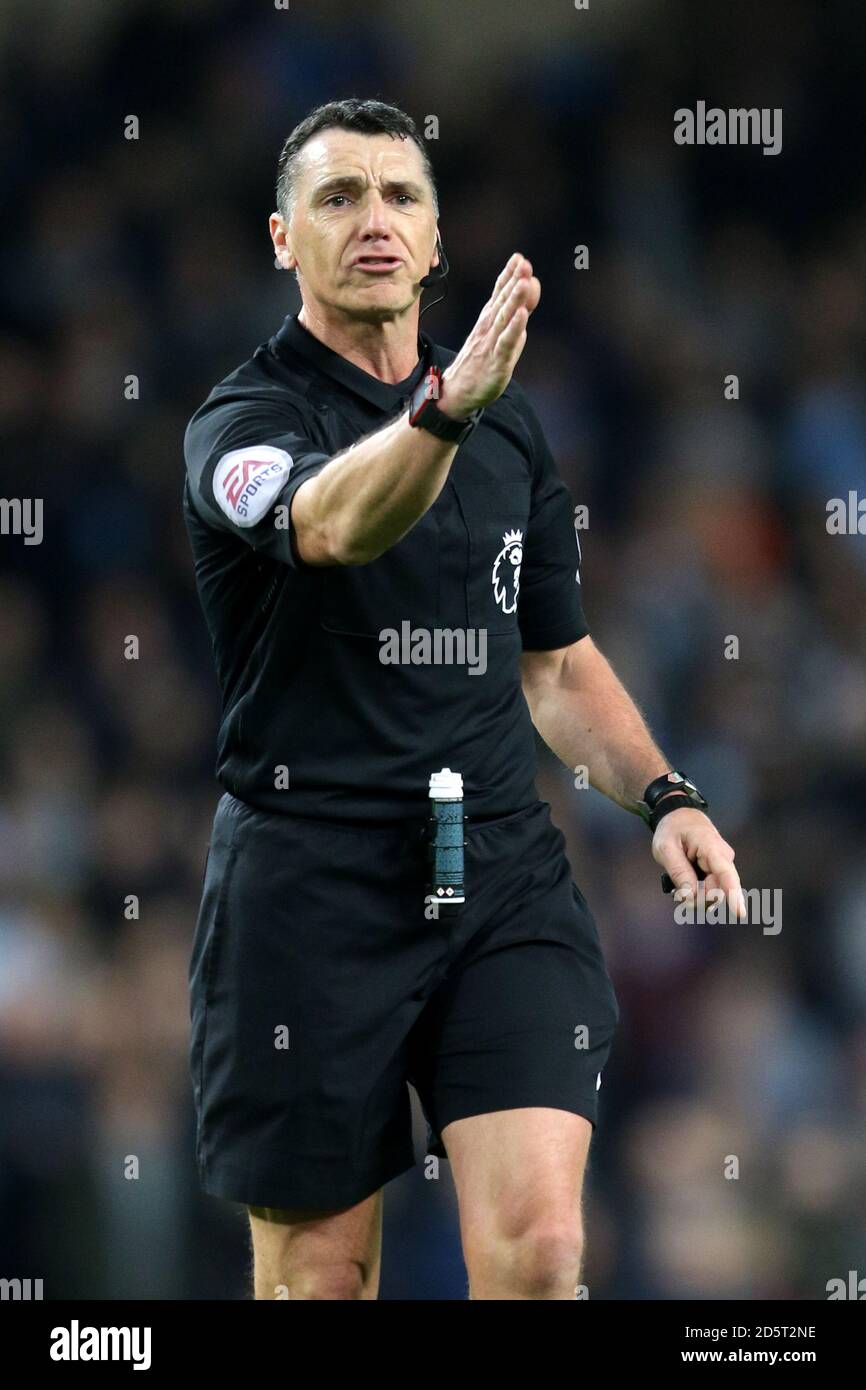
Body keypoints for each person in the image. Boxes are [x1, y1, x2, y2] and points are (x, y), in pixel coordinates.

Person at [183, 98, 745, 1300]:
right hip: (307, 890)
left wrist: (661, 795)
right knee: (317, 1281)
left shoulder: (509, 430)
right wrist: (442, 411)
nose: (371, 221)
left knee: (540, 1254)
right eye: (336, 198)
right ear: (282, 238)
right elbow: (332, 523)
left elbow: (551, 662)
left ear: (438, 241)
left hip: (492, 866)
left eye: (399, 197)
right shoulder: (240, 424)